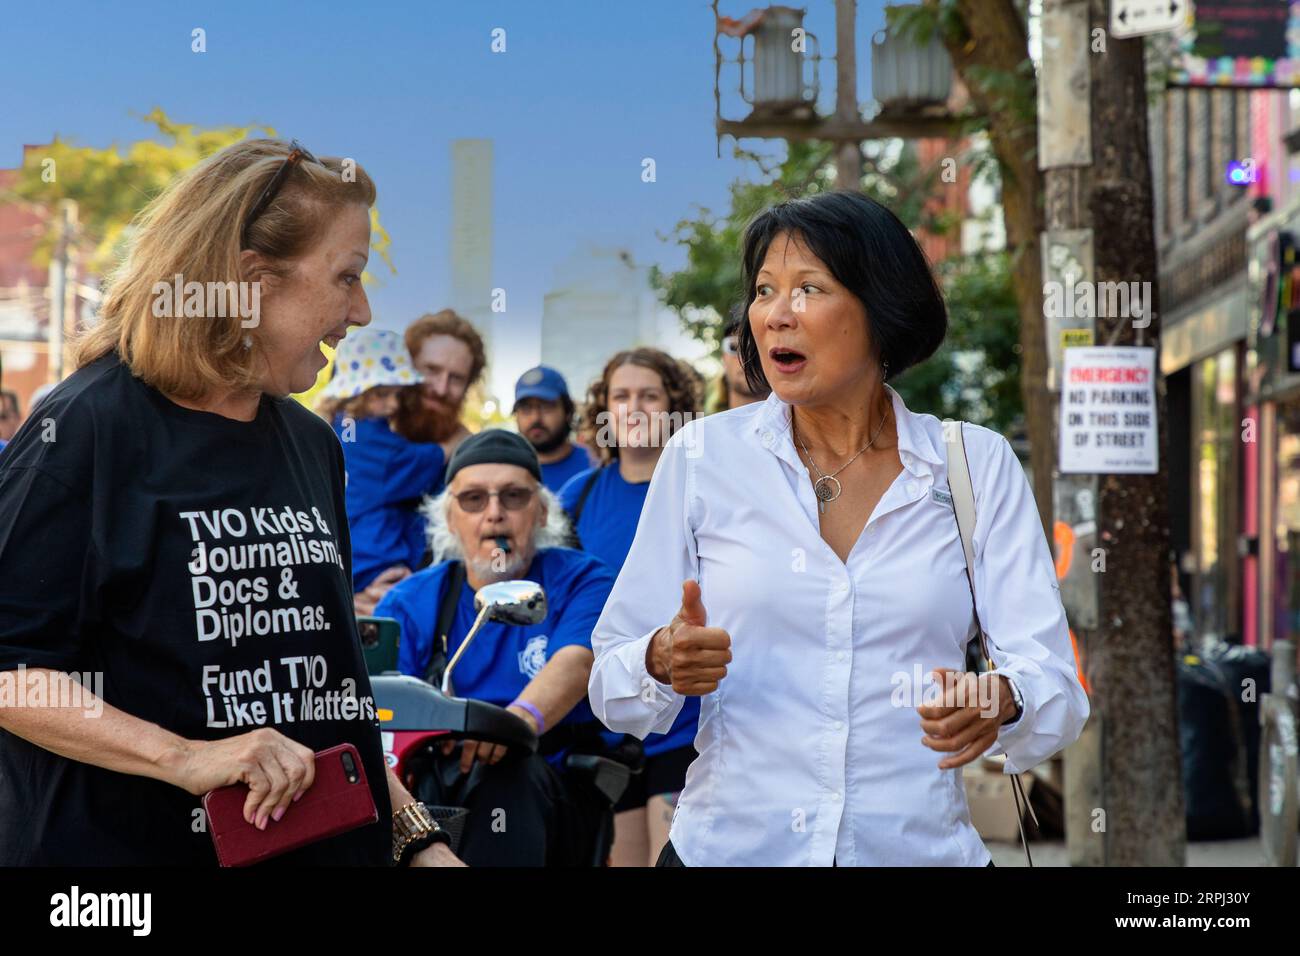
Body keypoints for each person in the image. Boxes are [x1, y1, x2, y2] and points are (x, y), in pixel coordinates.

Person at [588, 190, 1090, 866]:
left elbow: (1054, 681)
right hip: (731, 851)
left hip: (916, 852)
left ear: (879, 310)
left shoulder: (973, 464)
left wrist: (1002, 697)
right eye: (765, 291)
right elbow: (612, 683)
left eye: (808, 289)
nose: (775, 315)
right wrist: (657, 659)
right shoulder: (703, 457)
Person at [0, 139, 460, 866]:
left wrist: (417, 840)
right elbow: (11, 674)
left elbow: (330, 686)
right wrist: (184, 757)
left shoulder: (312, 443)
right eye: (347, 277)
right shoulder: (88, 426)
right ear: (254, 279)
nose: (363, 310)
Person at [376, 429, 616, 865]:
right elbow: (385, 704)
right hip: (429, 782)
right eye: (473, 499)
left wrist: (512, 726)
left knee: (506, 774)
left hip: (546, 783)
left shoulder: (583, 579)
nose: (494, 514)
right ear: (449, 517)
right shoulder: (409, 601)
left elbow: (578, 661)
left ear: (542, 511)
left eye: (514, 496)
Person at [559, 347, 701, 866]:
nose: (634, 406)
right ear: (604, 408)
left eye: (649, 395)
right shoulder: (578, 494)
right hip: (607, 724)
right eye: (621, 395)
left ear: (675, 405)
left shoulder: (699, 485)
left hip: (685, 720)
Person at [316, 328, 454, 612]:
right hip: (377, 560)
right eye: (381, 394)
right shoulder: (369, 439)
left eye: (396, 394)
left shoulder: (335, 430)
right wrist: (458, 442)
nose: (392, 405)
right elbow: (423, 461)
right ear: (356, 394)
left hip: (350, 559)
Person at [352, 310, 481, 615]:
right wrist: (345, 597)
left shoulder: (471, 463)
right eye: (431, 370)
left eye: (456, 378)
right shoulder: (356, 441)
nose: (440, 387)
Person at [513, 365, 596, 493]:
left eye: (546, 407)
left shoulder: (595, 465)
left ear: (567, 412)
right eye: (526, 409)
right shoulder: (506, 470)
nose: (535, 418)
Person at [707, 315, 770, 414]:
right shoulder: (700, 427)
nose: (746, 358)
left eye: (756, 347)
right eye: (734, 347)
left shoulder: (799, 426)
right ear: (723, 357)